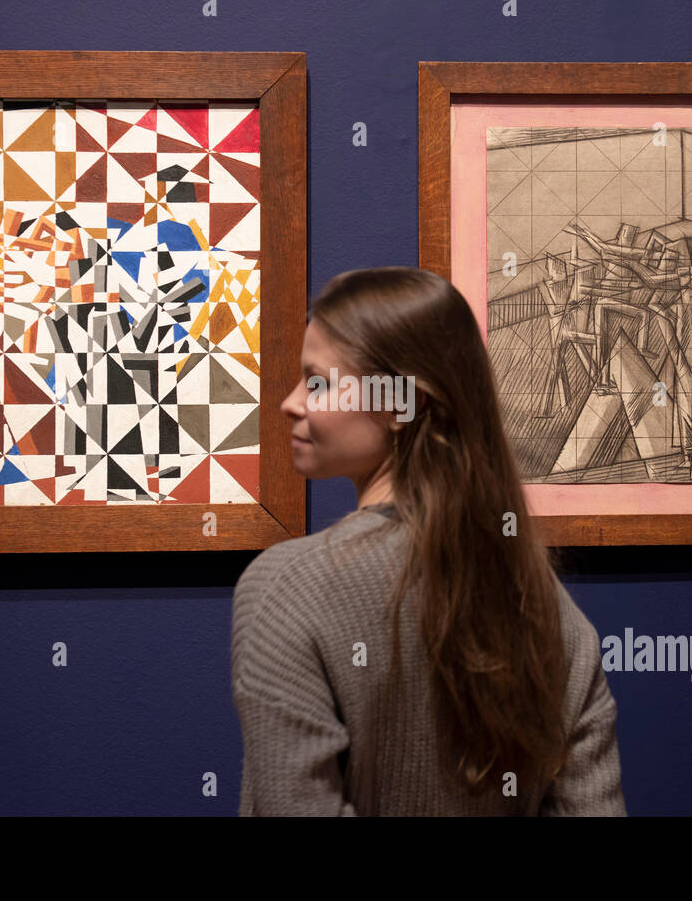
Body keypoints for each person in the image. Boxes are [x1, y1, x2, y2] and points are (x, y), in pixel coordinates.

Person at [230, 266, 627, 816]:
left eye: (316, 382)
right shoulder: (547, 608)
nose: (290, 402)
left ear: (399, 404)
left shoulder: (286, 588)